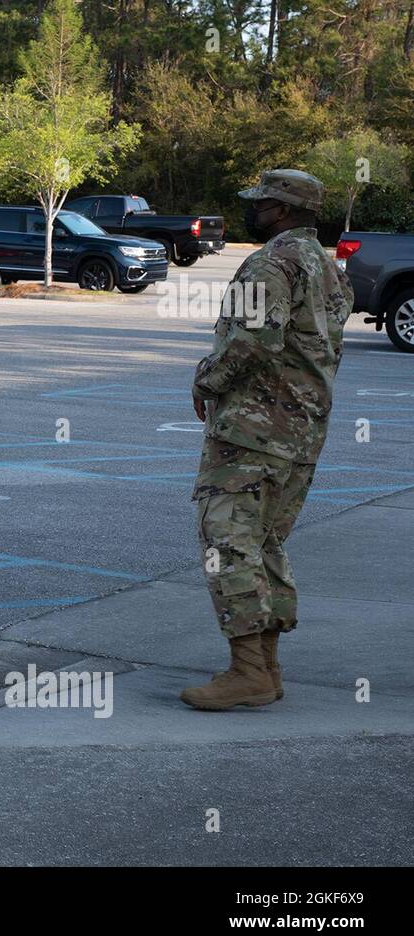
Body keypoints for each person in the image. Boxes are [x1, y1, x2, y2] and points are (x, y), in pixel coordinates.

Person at [181, 169, 353, 710]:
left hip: (256, 429)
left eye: (261, 203)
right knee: (263, 542)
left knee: (227, 537)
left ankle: (248, 669)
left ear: (281, 209)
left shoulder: (271, 262)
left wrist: (206, 379)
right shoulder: (326, 266)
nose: (253, 211)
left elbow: (252, 341)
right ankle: (267, 669)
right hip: (302, 429)